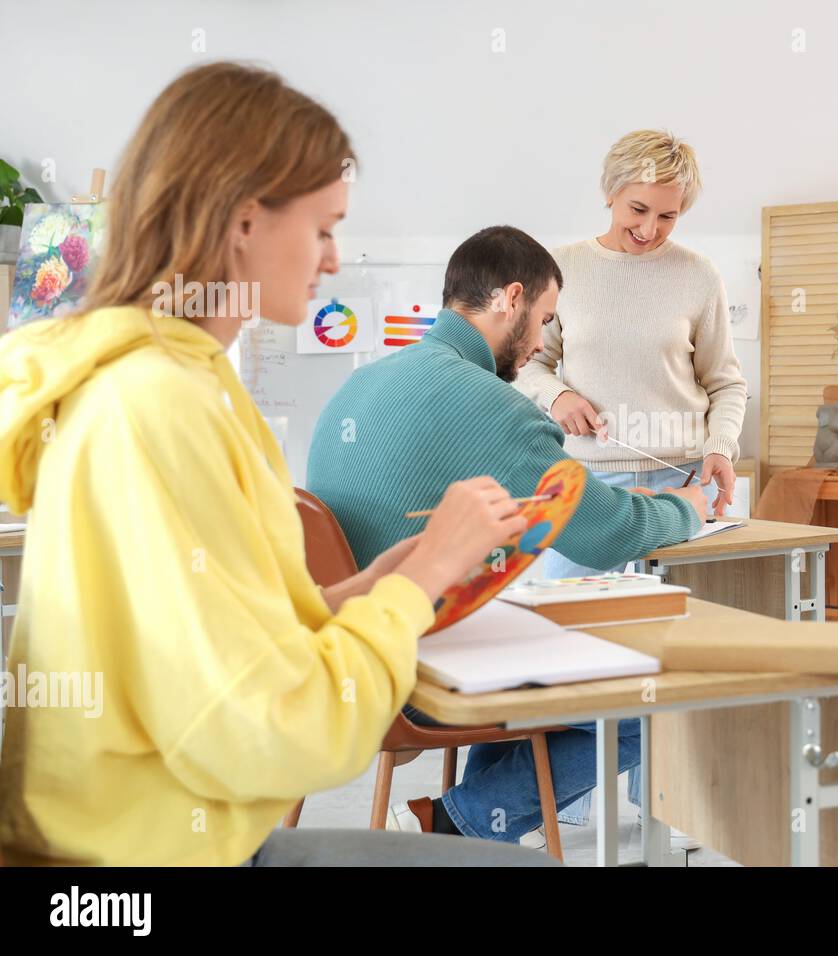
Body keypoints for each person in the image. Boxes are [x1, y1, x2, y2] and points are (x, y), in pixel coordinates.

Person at [0, 62, 551, 867]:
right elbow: (278, 730)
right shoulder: (156, 404)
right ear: (243, 221)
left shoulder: (190, 382)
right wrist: (420, 574)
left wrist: (370, 587)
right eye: (324, 227)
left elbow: (227, 637)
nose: (332, 258)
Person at [306, 224, 708, 843]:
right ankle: (458, 825)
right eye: (545, 320)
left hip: (351, 652)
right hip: (420, 676)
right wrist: (686, 507)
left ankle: (477, 828)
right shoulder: (496, 407)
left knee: (519, 642)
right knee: (646, 699)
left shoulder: (359, 385)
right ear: (510, 299)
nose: (541, 344)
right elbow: (605, 535)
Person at [514, 129, 747, 834]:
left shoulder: (698, 276)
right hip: (586, 490)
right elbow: (526, 360)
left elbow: (725, 381)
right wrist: (555, 397)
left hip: (678, 488)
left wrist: (720, 447)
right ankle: (548, 812)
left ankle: (667, 818)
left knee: (668, 665)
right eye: (636, 209)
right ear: (610, 194)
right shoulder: (562, 268)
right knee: (563, 658)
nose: (649, 229)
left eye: (668, 216)